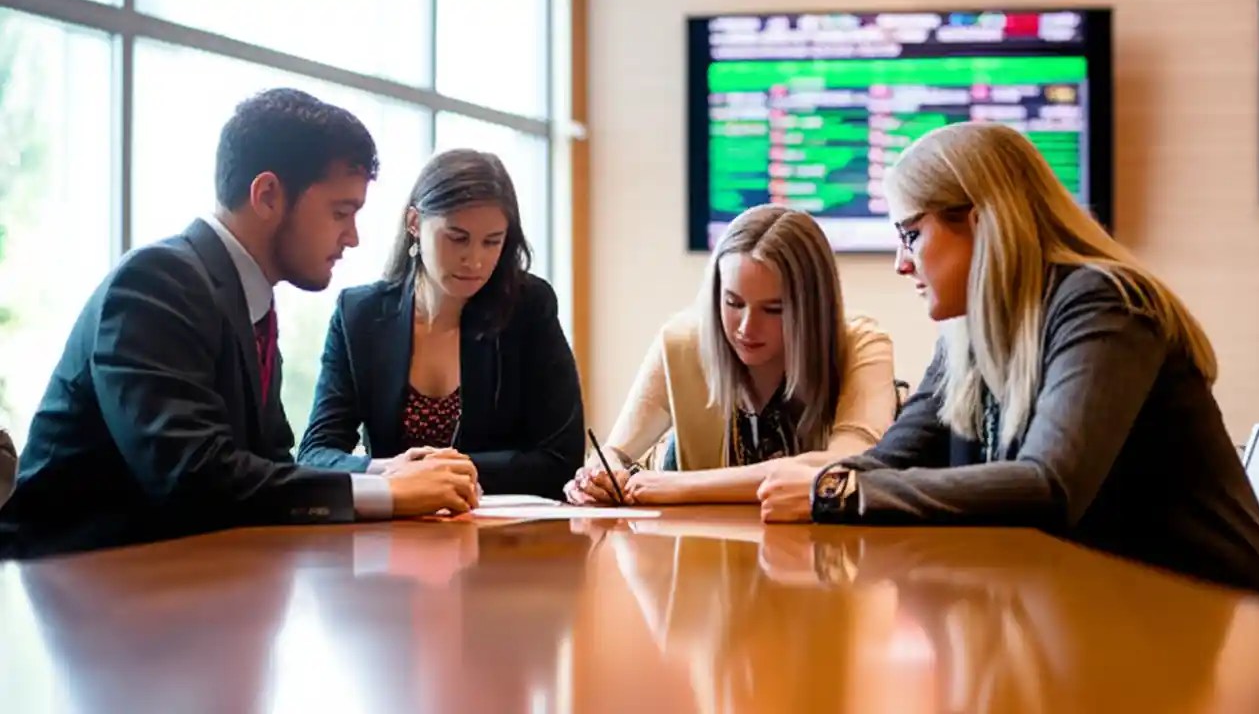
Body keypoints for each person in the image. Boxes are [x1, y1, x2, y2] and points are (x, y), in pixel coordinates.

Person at [758, 121, 1259, 597]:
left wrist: (836, 492)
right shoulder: (967, 334)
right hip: (1109, 611)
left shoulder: (1104, 303)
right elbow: (883, 468)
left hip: (1225, 621)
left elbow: (1046, 487)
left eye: (910, 234)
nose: (902, 263)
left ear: (982, 222)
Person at [0, 88, 478, 557]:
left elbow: (264, 465)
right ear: (268, 194)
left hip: (173, 585)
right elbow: (193, 477)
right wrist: (389, 495)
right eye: (341, 212)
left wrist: (381, 474)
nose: (352, 237)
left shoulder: (248, 301)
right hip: (63, 593)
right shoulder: (155, 283)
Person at [297, 149, 583, 499]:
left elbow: (561, 459)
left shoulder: (529, 307)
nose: (474, 260)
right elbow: (315, 453)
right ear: (415, 223)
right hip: (396, 533)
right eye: (457, 237)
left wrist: (445, 471)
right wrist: (389, 471)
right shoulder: (360, 314)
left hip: (506, 539)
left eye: (492, 242)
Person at [566, 204, 898, 506]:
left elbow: (845, 464)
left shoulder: (862, 345)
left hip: (817, 557)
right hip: (703, 557)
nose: (747, 328)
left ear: (811, 309)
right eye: (733, 303)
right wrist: (596, 475)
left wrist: (683, 486)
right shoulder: (682, 342)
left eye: (773, 309)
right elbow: (614, 453)